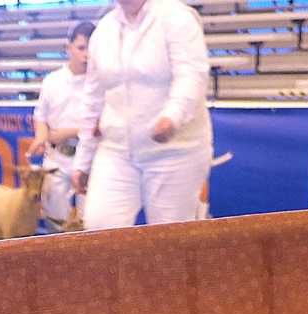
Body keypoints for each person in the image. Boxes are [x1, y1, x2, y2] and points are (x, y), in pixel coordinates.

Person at [72, 0, 212, 229]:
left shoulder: (177, 17)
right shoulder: (104, 30)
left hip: (175, 152)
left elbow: (192, 76)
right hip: (116, 151)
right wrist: (83, 161)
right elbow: (92, 99)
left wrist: (172, 117)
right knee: (99, 226)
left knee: (170, 241)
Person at [30, 21, 92, 226]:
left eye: (91, 48)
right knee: (56, 223)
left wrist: (68, 132)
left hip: (91, 157)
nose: (86, 54)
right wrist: (40, 138)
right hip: (57, 158)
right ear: (69, 48)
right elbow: (41, 116)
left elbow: (105, 122)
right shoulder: (52, 81)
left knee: (92, 223)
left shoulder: (100, 81)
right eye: (81, 48)